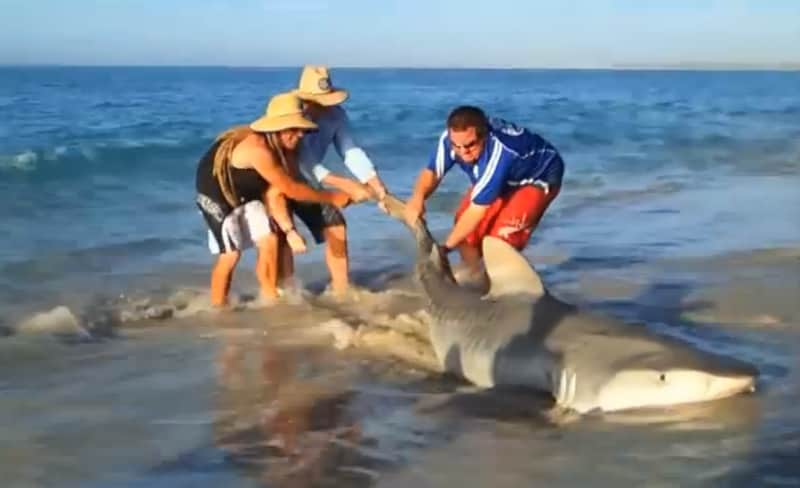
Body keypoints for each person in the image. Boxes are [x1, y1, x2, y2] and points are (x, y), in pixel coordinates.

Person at [195, 91, 351, 307]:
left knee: (270, 239)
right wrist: (332, 197)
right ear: (276, 127)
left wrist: (290, 231)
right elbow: (292, 189)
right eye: (293, 129)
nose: (298, 135)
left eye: (302, 130)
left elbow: (276, 193)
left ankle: (270, 298)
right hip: (217, 193)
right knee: (231, 254)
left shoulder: (285, 148)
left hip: (249, 191)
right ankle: (218, 308)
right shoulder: (259, 149)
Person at [404, 105, 565, 282]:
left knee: (500, 240)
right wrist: (417, 198)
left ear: (485, 136)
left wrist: (445, 248)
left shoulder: (500, 152)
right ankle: (477, 280)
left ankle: (504, 289)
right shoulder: (451, 140)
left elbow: (477, 211)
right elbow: (433, 172)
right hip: (502, 176)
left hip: (538, 177)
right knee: (466, 233)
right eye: (456, 146)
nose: (463, 152)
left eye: (470, 145)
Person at [274, 65, 389, 296]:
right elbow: (303, 159)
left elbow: (350, 150)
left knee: (337, 228)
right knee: (282, 239)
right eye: (316, 102)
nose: (322, 107)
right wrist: (344, 184)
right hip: (280, 180)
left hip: (311, 184)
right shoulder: (292, 115)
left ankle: (341, 290)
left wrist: (375, 184)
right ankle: (285, 296)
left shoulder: (336, 114)